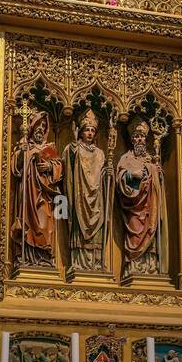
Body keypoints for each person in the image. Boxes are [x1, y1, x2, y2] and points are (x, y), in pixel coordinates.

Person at [11, 110, 63, 268]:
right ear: (32, 128)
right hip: (28, 194)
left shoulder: (49, 148)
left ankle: (45, 258)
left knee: (45, 223)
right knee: (27, 225)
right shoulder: (24, 145)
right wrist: (22, 152)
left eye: (43, 126)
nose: (40, 128)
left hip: (44, 196)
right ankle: (27, 257)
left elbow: (59, 167)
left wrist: (49, 166)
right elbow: (15, 167)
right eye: (38, 125)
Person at [114, 119, 165, 276]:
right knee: (135, 235)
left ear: (146, 138)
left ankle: (150, 266)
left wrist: (156, 172)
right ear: (131, 139)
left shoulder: (151, 160)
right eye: (136, 136)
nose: (139, 139)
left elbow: (160, 185)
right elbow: (119, 179)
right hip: (134, 207)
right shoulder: (125, 159)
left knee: (151, 232)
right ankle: (134, 266)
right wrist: (132, 175)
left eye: (142, 136)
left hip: (150, 206)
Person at [61, 109, 108, 272]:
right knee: (79, 228)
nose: (89, 133)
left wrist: (109, 175)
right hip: (79, 199)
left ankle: (96, 264)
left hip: (97, 201)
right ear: (80, 131)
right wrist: (74, 145)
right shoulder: (73, 148)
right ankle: (79, 263)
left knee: (98, 230)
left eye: (92, 130)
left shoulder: (101, 154)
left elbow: (104, 179)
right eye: (87, 129)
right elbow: (67, 167)